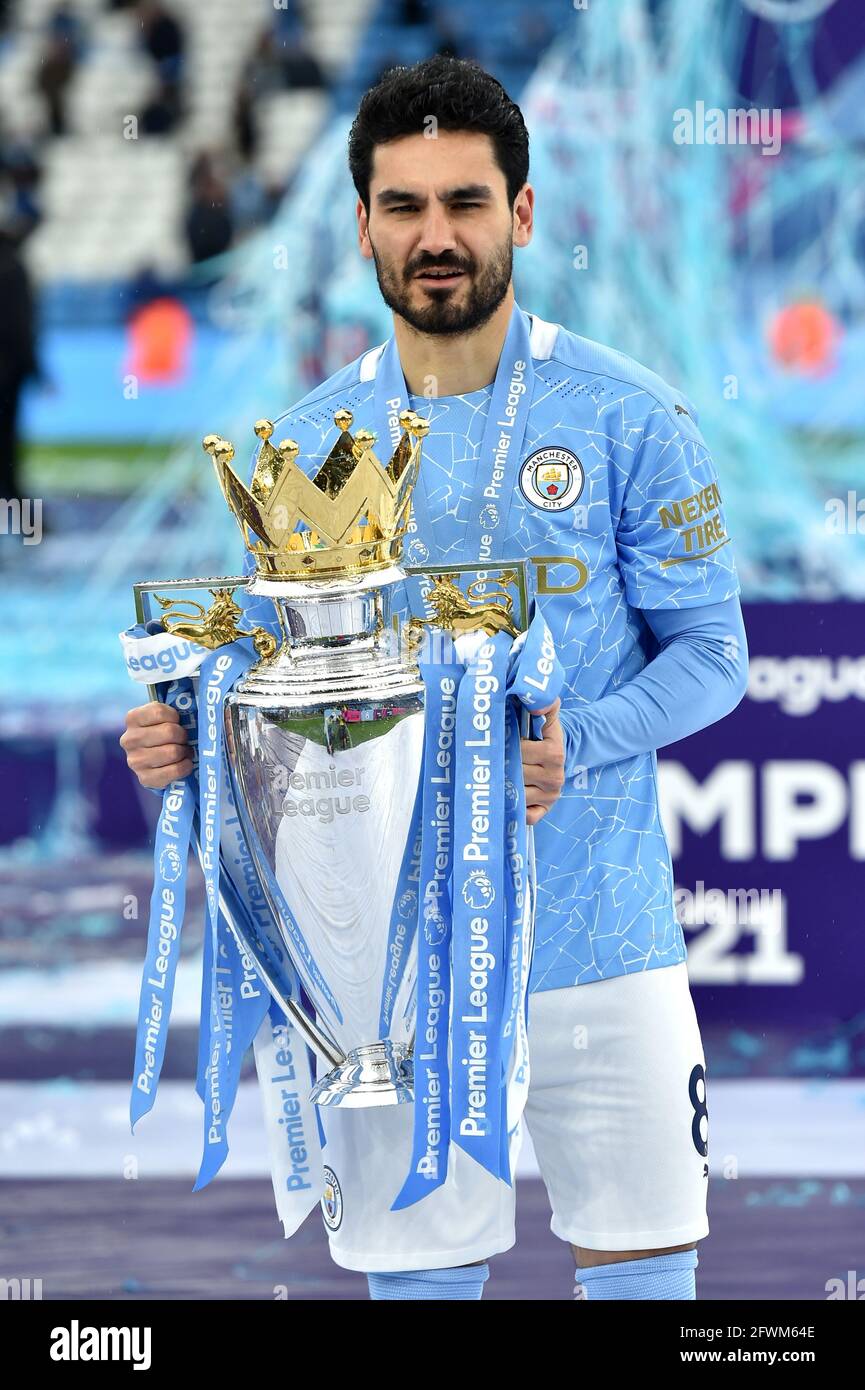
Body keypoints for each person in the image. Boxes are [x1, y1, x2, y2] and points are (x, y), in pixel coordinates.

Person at [120, 55, 749, 1301]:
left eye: (465, 203)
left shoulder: (624, 414)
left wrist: (584, 736)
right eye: (403, 207)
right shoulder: (301, 449)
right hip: (383, 977)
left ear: (519, 213)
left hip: (599, 941)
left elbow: (715, 655)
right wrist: (193, 735)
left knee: (644, 1284)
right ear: (360, 225)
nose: (436, 237)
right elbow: (284, 693)